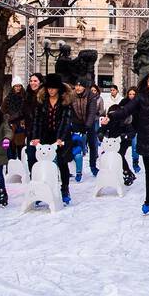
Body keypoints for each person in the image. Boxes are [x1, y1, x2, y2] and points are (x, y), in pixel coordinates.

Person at [106, 71, 149, 216]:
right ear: (146, 83)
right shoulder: (140, 97)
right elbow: (125, 111)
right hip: (146, 138)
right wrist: (110, 116)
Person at [27, 73, 75, 205]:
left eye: (53, 88)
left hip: (62, 136)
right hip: (45, 135)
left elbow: (66, 121)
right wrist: (36, 137)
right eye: (49, 88)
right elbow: (37, 120)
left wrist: (60, 138)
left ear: (58, 88)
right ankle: (40, 190)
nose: (51, 90)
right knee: (42, 163)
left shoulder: (65, 102)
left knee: (62, 162)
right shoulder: (41, 101)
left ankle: (65, 189)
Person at [71, 79, 101, 179]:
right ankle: (78, 170)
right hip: (77, 123)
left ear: (85, 87)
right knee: (77, 145)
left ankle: (93, 166)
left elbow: (92, 112)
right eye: (76, 85)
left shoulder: (91, 96)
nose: (78, 88)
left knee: (92, 144)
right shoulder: (71, 95)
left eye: (80, 86)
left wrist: (87, 126)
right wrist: (74, 124)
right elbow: (71, 112)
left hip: (90, 123)